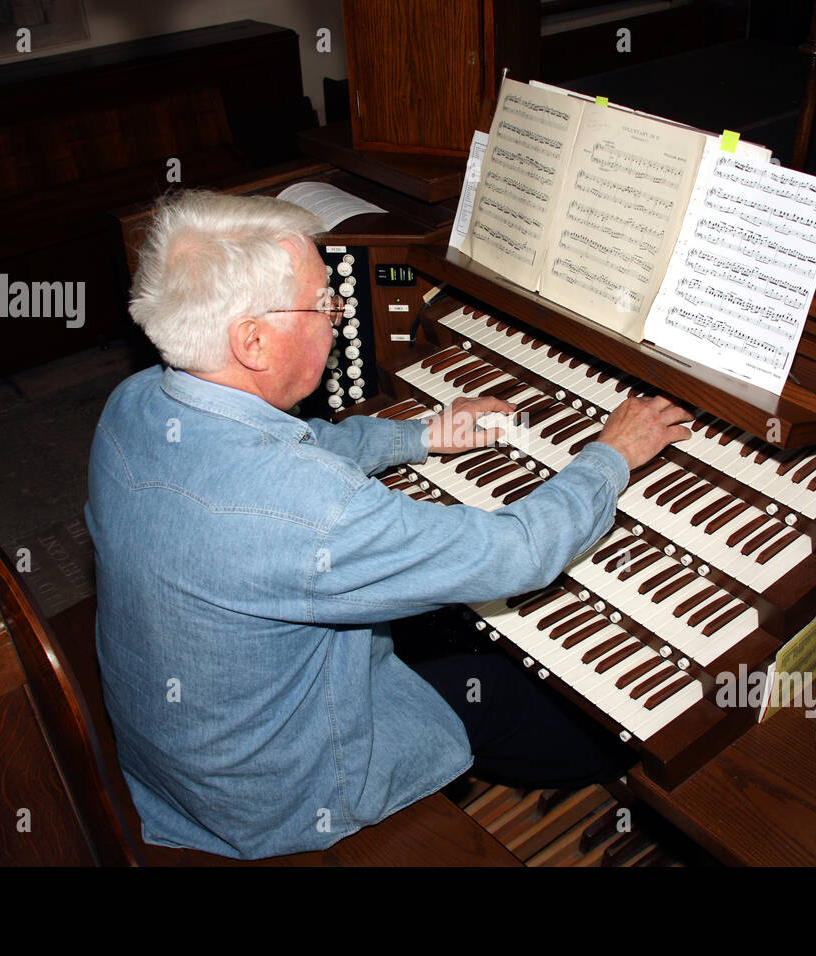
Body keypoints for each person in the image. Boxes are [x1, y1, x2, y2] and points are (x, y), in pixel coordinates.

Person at [86, 189, 691, 859]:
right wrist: (611, 455)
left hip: (178, 755)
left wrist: (422, 435)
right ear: (251, 341)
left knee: (443, 631)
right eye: (322, 303)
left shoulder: (135, 404)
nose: (339, 315)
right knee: (565, 720)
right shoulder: (308, 509)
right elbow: (516, 553)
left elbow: (291, 447)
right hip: (281, 794)